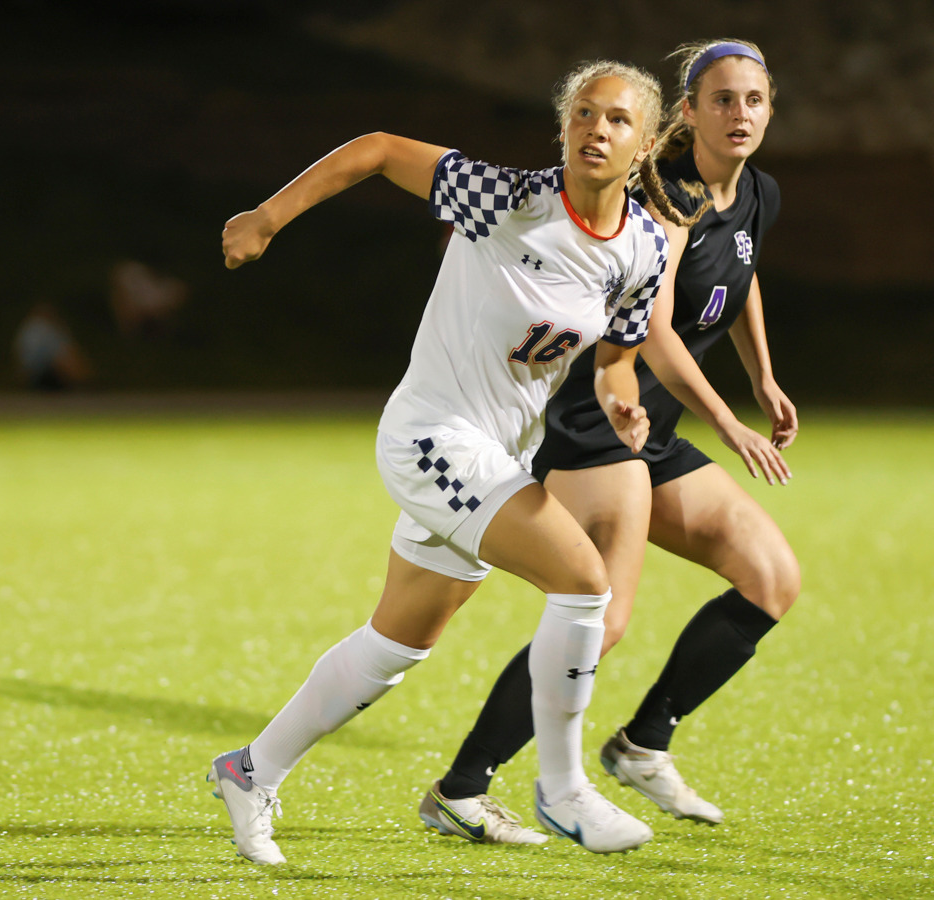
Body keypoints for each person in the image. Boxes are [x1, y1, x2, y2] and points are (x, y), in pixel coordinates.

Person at [207, 60, 711, 865]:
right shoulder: (508, 198)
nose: (597, 129)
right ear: (564, 125)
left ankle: (249, 770)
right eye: (584, 113)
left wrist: (622, 398)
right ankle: (563, 789)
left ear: (646, 143)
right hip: (432, 437)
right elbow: (374, 149)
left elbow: (616, 358)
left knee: (396, 644)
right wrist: (267, 217)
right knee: (584, 583)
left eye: (617, 120)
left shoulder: (645, 247)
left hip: (498, 454)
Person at [421, 38, 801, 841]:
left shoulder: (757, 192)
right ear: (688, 110)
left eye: (755, 101)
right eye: (723, 99)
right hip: (602, 423)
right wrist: (728, 421)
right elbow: (653, 330)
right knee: (603, 616)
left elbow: (745, 272)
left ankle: (642, 743)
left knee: (770, 577)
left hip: (654, 431)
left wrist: (762, 373)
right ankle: (462, 787)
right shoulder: (665, 196)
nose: (740, 114)